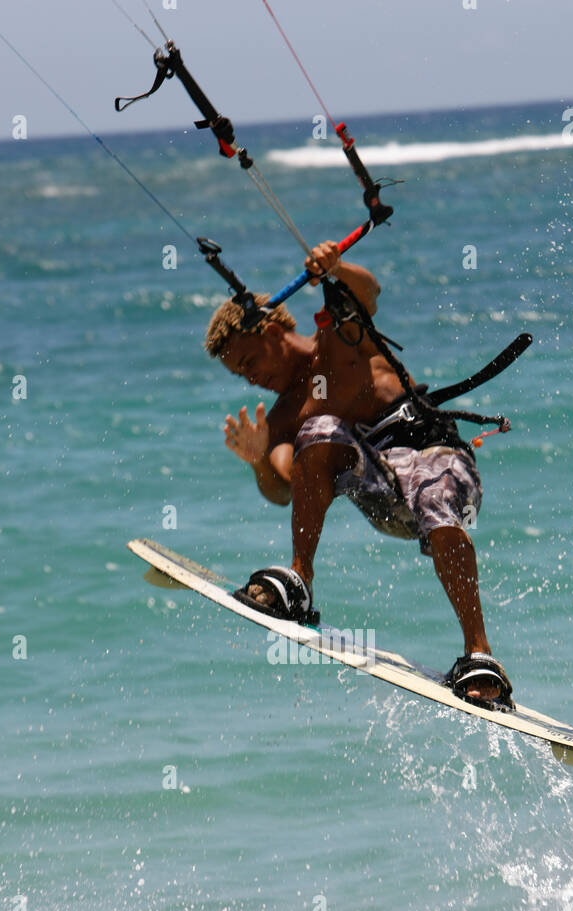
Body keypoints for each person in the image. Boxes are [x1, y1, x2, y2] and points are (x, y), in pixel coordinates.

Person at [205, 240, 513, 707]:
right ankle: (298, 582)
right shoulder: (288, 417)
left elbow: (368, 289)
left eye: (249, 362)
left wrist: (335, 266)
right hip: (385, 496)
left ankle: (479, 654)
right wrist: (256, 458)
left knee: (433, 497)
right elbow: (286, 487)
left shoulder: (344, 334)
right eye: (240, 376)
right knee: (321, 427)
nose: (250, 379)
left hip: (440, 463)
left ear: (269, 329)